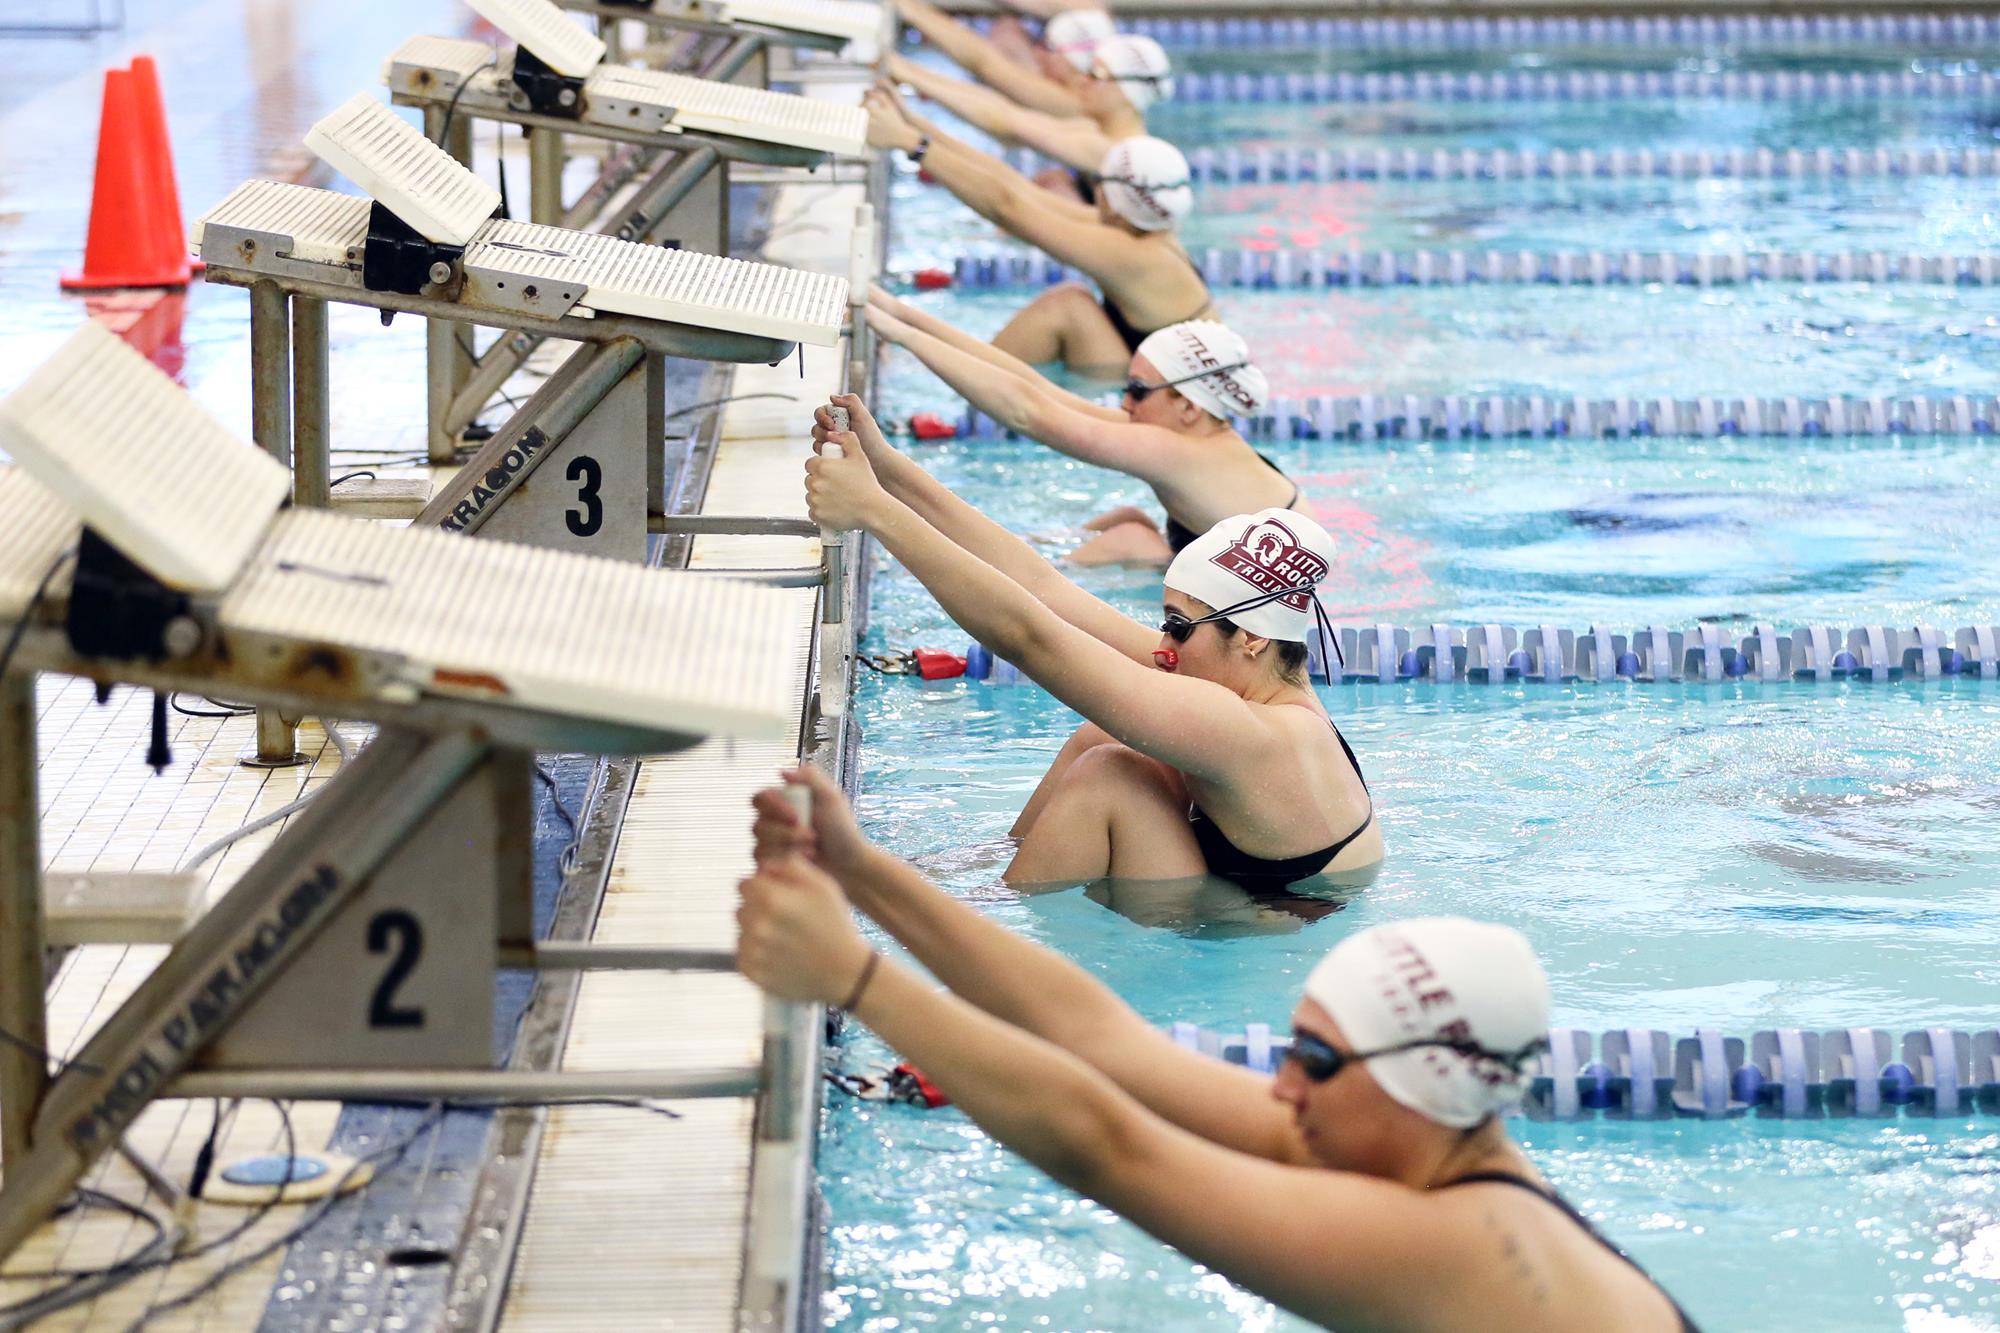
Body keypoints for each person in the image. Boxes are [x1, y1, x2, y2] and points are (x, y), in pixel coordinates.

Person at [734, 812, 1703, 1333]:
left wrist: (855, 979)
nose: (1283, 1088)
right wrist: (860, 870)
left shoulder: (1469, 1249)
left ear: (1426, 1079)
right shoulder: (1417, 1147)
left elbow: (1108, 1147)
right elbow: (1105, 1041)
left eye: (1315, 1060)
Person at [806, 394, 1379, 886]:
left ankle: (975, 909)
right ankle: (1001, 860)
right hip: (1228, 898)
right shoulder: (1255, 692)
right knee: (1103, 737)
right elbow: (1045, 590)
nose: (1164, 645)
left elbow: (1029, 637)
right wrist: (888, 470)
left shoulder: (1252, 734)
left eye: (1179, 626)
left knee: (1109, 774)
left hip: (1252, 931)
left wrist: (876, 515)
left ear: (1251, 638)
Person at [867, 292, 1298, 565]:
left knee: (1132, 540)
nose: (1125, 403)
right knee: (1127, 521)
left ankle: (1025, 569)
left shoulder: (1177, 453)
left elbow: (1027, 413)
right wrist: (901, 315)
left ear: (1188, 406)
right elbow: (1039, 390)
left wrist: (907, 339)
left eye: (1137, 390)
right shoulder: (1197, 436)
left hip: (1258, 614)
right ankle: (1026, 553)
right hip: (1228, 573)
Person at [865, 85, 1208, 371]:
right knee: (1072, 299)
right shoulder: (1139, 233)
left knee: (1068, 306)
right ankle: (935, 363)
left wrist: (912, 144)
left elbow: (1008, 209)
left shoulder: (1133, 255)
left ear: (1111, 196)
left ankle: (936, 372)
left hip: (1155, 385)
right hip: (1138, 362)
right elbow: (1016, 189)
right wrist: (913, 128)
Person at [896, 0, 1169, 125]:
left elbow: (987, 66)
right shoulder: (1087, 97)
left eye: (1049, 49)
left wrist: (913, 13)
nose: (1039, 54)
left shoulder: (1073, 104)